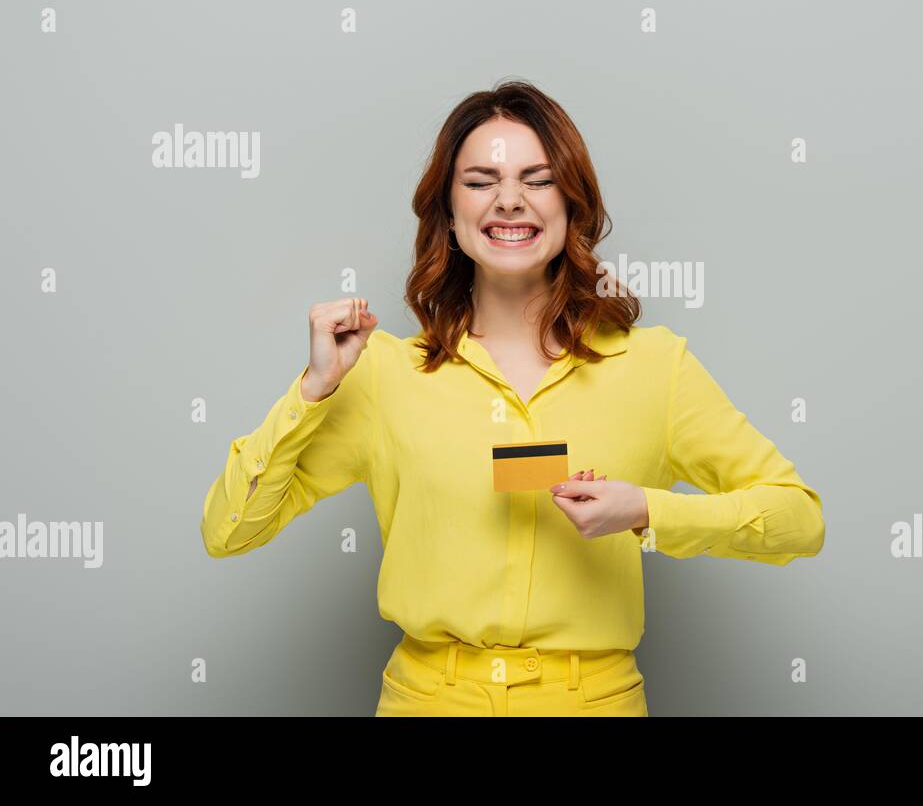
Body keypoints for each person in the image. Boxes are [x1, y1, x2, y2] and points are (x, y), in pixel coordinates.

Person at [199, 79, 826, 716]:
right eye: (479, 181)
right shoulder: (383, 373)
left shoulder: (655, 366)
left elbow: (799, 520)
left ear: (572, 203)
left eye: (538, 179)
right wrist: (313, 390)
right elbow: (228, 531)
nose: (509, 202)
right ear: (448, 210)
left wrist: (647, 512)